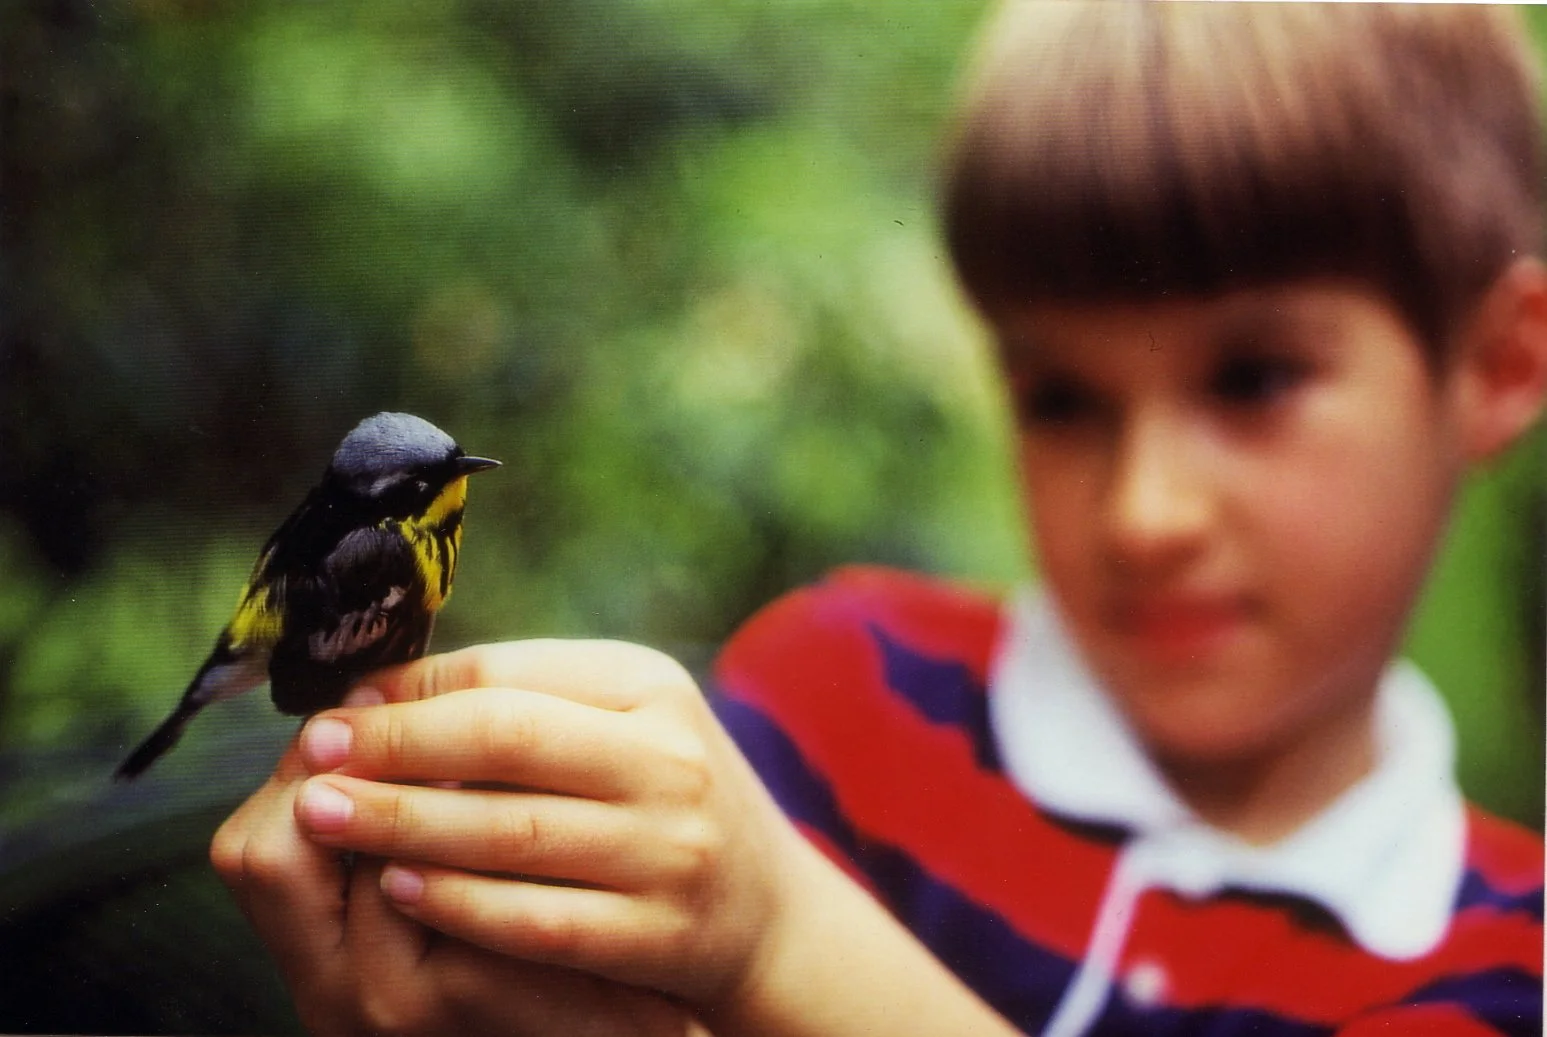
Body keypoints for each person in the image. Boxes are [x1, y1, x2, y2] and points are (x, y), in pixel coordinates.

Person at [209, 3, 1547, 1034]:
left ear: (1494, 369)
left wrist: (773, 942)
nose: (1145, 514)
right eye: (1063, 399)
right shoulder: (842, 696)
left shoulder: (1505, 963)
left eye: (1252, 381)